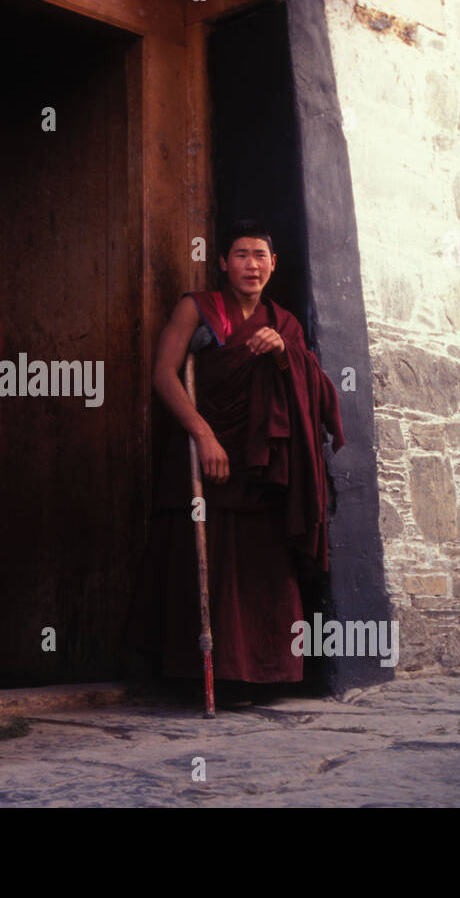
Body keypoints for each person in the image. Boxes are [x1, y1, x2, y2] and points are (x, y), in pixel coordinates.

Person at [137, 219, 344, 704]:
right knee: (206, 561)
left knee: (260, 566)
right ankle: (202, 675)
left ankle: (261, 673)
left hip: (261, 467)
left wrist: (282, 356)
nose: (252, 265)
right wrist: (204, 435)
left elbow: (309, 388)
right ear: (224, 263)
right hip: (206, 454)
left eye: (260, 256)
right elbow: (164, 374)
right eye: (241, 255)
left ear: (274, 264)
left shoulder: (284, 322)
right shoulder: (198, 309)